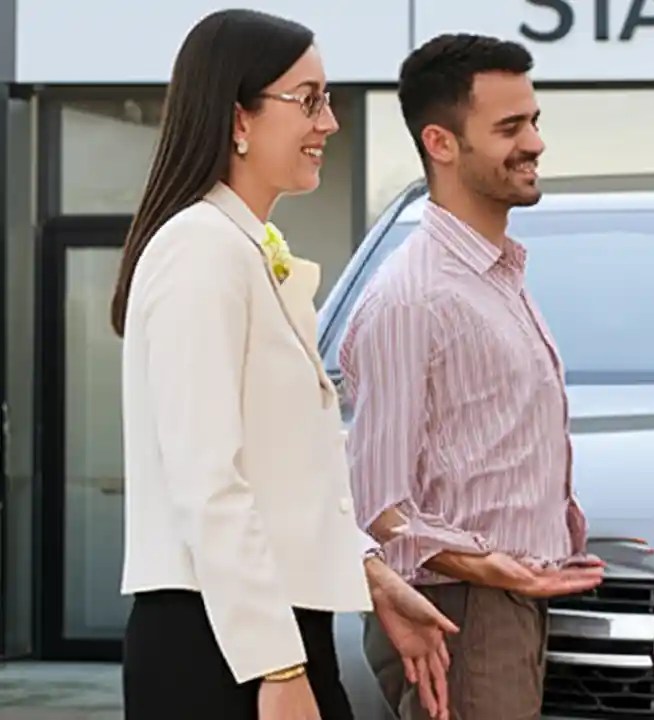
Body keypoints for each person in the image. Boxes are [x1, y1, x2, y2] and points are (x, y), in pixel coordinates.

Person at [113, 9, 458, 720]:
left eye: (327, 99)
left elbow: (288, 478)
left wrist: (374, 579)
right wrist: (277, 665)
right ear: (237, 117)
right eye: (308, 100)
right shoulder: (201, 249)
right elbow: (210, 483)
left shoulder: (246, 246)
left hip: (266, 629)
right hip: (222, 643)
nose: (328, 122)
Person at [340, 33, 606, 720]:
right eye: (510, 127)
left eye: (535, 122)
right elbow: (378, 504)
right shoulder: (414, 298)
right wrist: (491, 565)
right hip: (457, 615)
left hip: (505, 605)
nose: (536, 143)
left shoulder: (495, 278)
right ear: (442, 142)